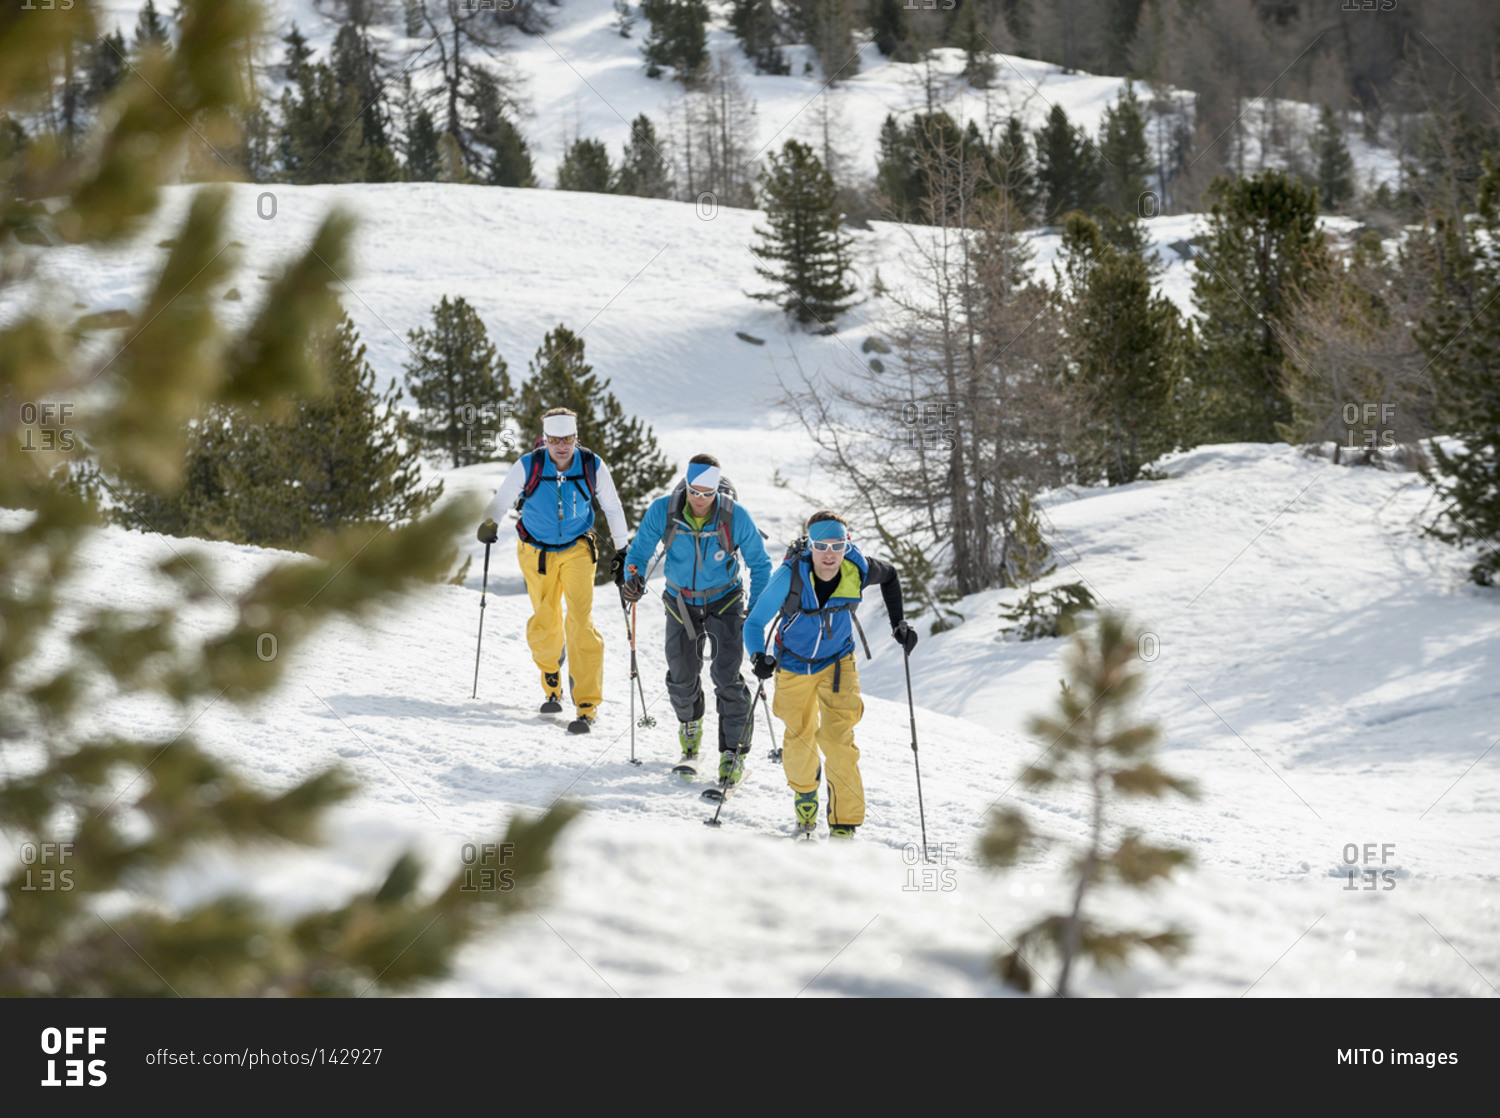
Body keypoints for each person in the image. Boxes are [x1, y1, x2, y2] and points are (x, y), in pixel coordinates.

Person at [743, 511, 918, 837]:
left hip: (839, 663)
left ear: (846, 543)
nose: (829, 553)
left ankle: (844, 824)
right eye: (820, 545)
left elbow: (891, 576)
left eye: (836, 545)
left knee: (838, 740)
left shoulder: (859, 567)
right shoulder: (789, 577)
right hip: (793, 665)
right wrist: (758, 657)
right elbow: (753, 622)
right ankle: (806, 793)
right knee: (800, 737)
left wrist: (899, 624)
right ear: (810, 544)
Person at [477, 408, 631, 734]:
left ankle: (586, 705)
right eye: (555, 440)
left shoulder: (591, 465)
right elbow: (503, 497)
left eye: (568, 439)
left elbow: (613, 506)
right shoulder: (529, 464)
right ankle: (551, 675)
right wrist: (489, 523)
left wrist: (622, 549)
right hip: (536, 551)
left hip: (578, 548)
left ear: (577, 437)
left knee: (580, 622)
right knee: (545, 620)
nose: (561, 447)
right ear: (545, 439)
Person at [620, 454, 772, 782]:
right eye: (694, 491)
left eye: (707, 493)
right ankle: (691, 732)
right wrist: (633, 580)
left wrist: (756, 607)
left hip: (725, 599)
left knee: (726, 675)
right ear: (685, 485)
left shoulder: (734, 517)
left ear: (717, 490)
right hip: (680, 601)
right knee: (681, 676)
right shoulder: (663, 510)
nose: (700, 500)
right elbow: (637, 554)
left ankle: (733, 754)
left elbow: (760, 565)